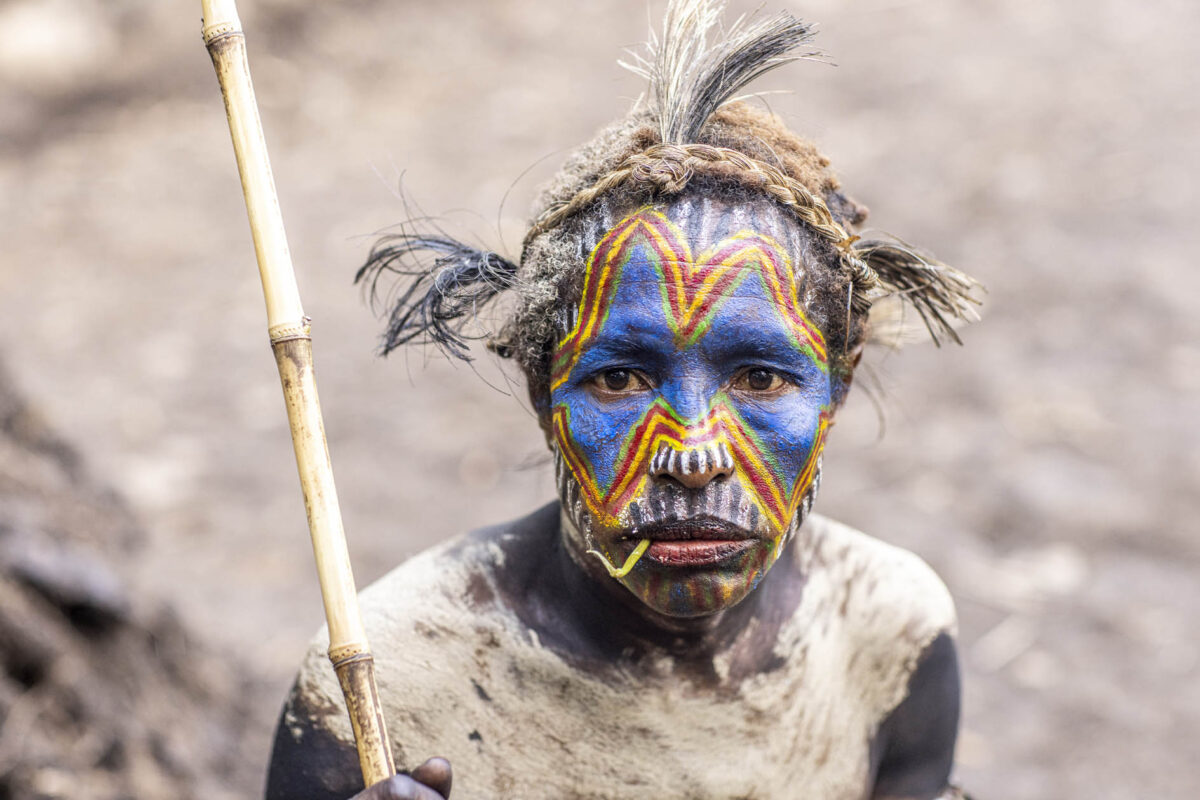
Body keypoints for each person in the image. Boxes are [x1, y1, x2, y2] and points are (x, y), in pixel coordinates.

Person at [265, 3, 979, 798]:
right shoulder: (386, 686)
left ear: (836, 384)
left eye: (761, 378)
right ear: (543, 389)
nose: (694, 457)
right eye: (620, 378)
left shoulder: (887, 636)